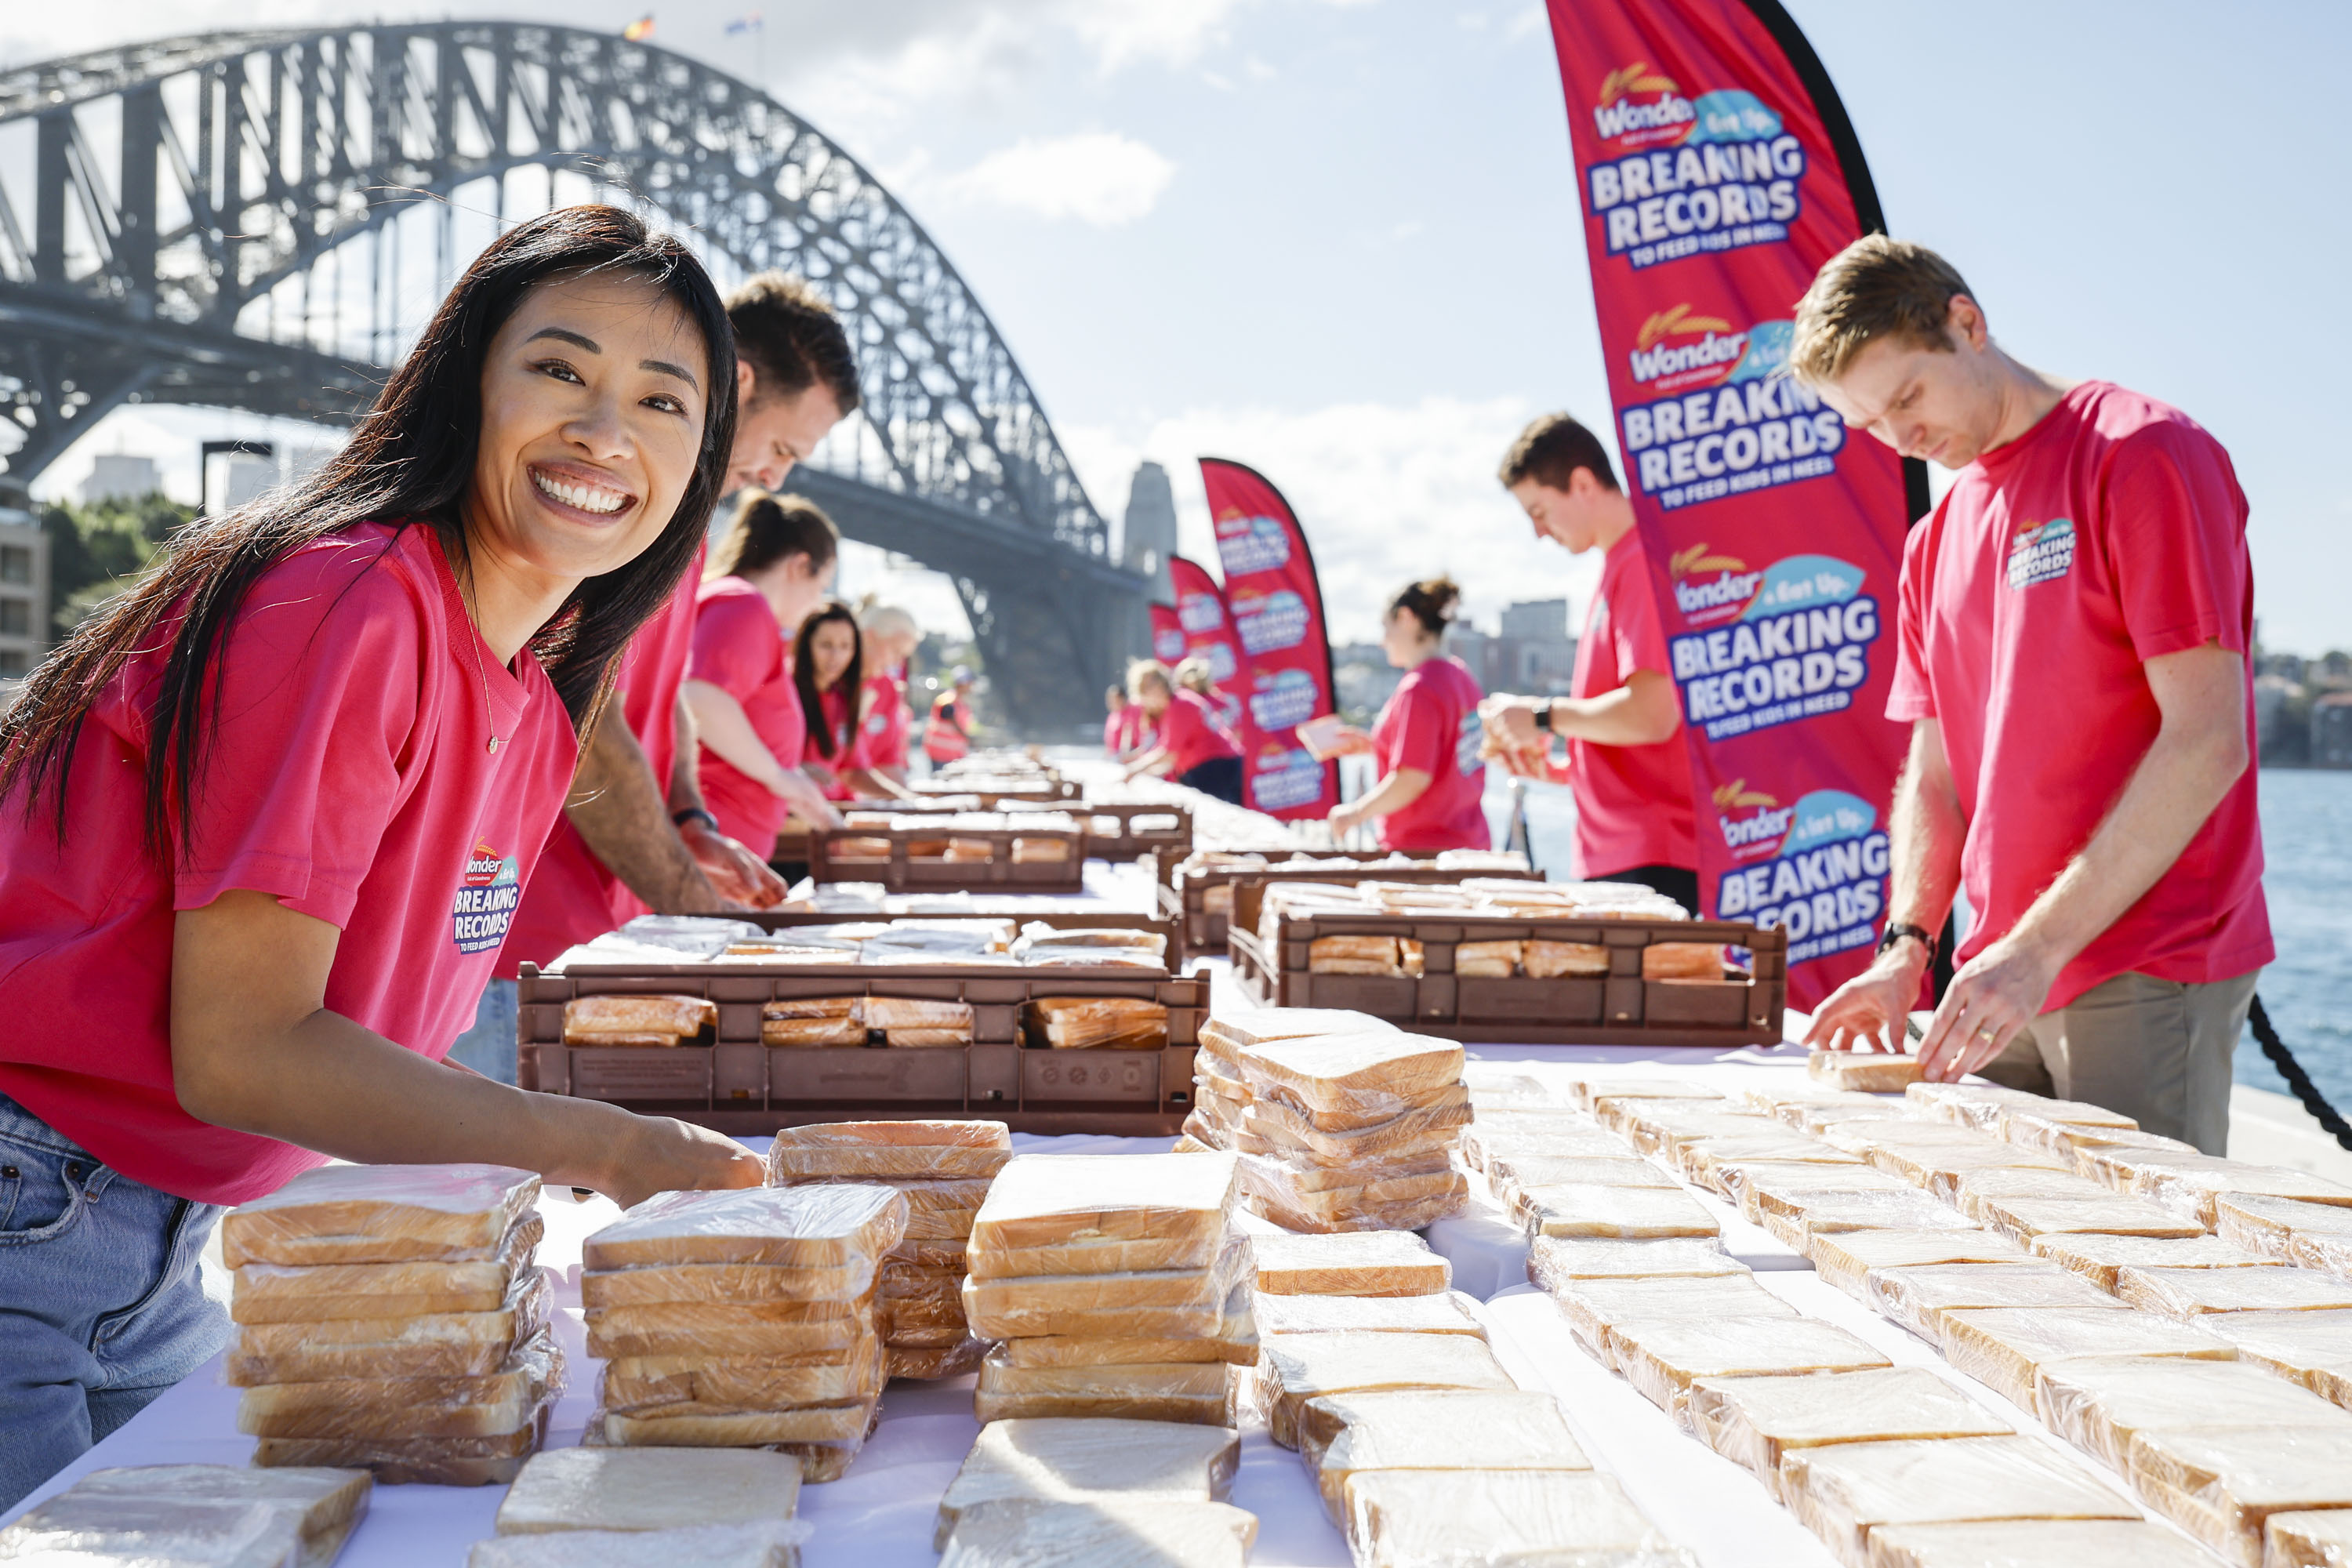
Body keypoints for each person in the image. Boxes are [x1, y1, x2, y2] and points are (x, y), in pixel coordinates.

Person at [0, 206, 764, 1509]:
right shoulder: (348, 602)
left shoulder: (529, 684)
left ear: (701, 464)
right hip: (37, 1212)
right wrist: (605, 1148)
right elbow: (240, 1044)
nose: (603, 432)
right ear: (468, 383)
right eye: (560, 369)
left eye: (661, 400)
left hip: (161, 1237)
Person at [1793, 237, 2268, 1151]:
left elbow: (2209, 739)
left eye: (1908, 398)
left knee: (2143, 1267)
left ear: (1967, 323)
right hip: (1994, 971)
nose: (1901, 437)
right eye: (1872, 423)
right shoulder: (1932, 543)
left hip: (2144, 962)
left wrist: (2038, 949)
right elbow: (1933, 777)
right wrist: (1907, 949)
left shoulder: (2142, 454)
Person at [459, 270, 862, 1082]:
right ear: (738, 384)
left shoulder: (685, 530)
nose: (777, 479)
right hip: (508, 949)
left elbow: (667, 691)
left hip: (596, 932)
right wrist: (697, 907)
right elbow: (579, 715)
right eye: (782, 447)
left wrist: (689, 815)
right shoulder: (608, 506)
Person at [1480, 414, 1698, 910]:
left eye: (1540, 510)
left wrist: (1540, 715)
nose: (1538, 532)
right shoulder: (1618, 566)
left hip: (1650, 858)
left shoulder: (1640, 562)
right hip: (1627, 855)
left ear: (1581, 484)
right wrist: (1559, 769)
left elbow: (1652, 713)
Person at [684, 492, 848, 859]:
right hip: (718, 837)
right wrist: (781, 779)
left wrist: (795, 787)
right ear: (800, 566)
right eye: (820, 587)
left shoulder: (731, 601)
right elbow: (701, 699)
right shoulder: (745, 604)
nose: (814, 605)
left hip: (721, 837)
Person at [1324, 578, 1490, 851]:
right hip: (1470, 845)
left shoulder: (1420, 687)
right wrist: (1377, 746)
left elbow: (1412, 778)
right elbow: (1447, 757)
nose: (1383, 641)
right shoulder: (1462, 677)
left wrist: (1354, 813)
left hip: (1423, 852)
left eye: (1385, 628)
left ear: (1406, 618)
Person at [797, 600, 916, 802]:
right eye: (826, 645)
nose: (836, 656)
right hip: (797, 815)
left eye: (845, 646)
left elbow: (853, 769)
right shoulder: (788, 691)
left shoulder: (844, 700)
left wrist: (909, 800)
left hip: (834, 811)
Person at [1123, 659, 1244, 804]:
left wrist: (1135, 770)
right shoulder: (1176, 704)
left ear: (1161, 684)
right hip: (1213, 766)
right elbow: (1166, 747)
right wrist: (1141, 767)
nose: (1147, 696)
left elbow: (1170, 753)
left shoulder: (1180, 705)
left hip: (1215, 767)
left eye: (1148, 687)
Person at [857, 604, 920, 786]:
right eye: (896, 651)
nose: (898, 662)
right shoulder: (831, 682)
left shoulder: (888, 689)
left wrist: (912, 803)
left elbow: (887, 760)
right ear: (869, 637)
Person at [923, 666, 978, 767]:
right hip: (941, 753)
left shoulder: (961, 702)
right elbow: (949, 715)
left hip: (953, 754)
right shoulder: (947, 699)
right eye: (969, 683)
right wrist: (968, 737)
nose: (971, 686)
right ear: (962, 683)